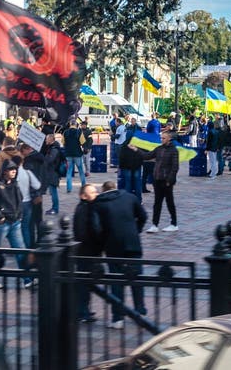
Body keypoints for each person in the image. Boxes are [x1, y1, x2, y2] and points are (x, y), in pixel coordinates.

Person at [93, 180, 148, 329]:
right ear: (115, 188)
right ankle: (140, 311)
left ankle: (118, 318)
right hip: (133, 243)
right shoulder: (130, 197)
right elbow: (143, 216)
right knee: (136, 279)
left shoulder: (98, 203)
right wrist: (136, 230)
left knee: (116, 283)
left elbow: (97, 228)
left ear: (103, 190)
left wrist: (103, 243)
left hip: (113, 246)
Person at [0, 162, 28, 289]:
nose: (14, 171)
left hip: (15, 223)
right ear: (4, 171)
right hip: (2, 223)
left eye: (15, 169)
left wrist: (19, 215)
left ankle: (27, 278)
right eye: (11, 169)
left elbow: (20, 201)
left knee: (21, 251)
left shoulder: (15, 185)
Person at [73, 183, 103, 323]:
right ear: (83, 196)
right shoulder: (83, 209)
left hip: (90, 251)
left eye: (96, 192)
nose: (96, 194)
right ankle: (81, 311)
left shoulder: (90, 207)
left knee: (88, 282)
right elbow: (82, 232)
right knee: (84, 283)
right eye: (92, 192)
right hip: (86, 251)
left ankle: (84, 309)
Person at [140, 128, 180, 232]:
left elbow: (175, 167)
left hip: (166, 181)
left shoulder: (173, 150)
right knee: (157, 203)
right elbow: (148, 156)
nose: (161, 139)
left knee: (169, 202)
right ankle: (155, 224)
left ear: (169, 139)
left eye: (163, 138)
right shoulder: (159, 149)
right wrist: (137, 150)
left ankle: (174, 223)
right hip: (157, 179)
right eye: (161, 138)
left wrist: (170, 180)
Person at [118, 117, 143, 200]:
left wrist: (121, 167)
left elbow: (121, 157)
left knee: (128, 183)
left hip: (127, 167)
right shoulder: (138, 145)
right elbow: (141, 155)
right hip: (136, 166)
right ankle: (138, 199)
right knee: (137, 183)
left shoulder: (124, 145)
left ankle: (128, 199)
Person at [63, 123, 87, 193]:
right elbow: (83, 143)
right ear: (76, 125)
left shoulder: (65, 132)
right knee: (81, 171)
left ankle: (69, 188)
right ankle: (84, 186)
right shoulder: (79, 132)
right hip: (77, 154)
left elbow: (63, 143)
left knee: (69, 171)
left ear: (70, 125)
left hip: (68, 154)